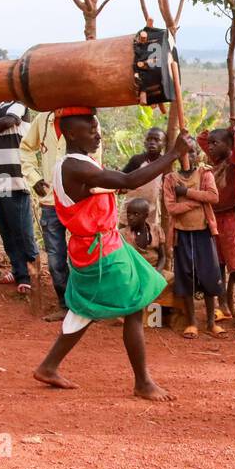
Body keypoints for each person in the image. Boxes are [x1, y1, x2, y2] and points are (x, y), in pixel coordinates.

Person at [33, 108, 187, 397]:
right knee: (133, 307)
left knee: (85, 308)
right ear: (70, 133)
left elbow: (113, 184)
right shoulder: (76, 167)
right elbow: (129, 182)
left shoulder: (76, 163)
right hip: (100, 251)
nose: (98, 134)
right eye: (91, 130)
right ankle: (143, 383)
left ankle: (49, 366)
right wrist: (173, 154)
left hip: (99, 246)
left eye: (97, 127)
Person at [163, 136, 224, 338]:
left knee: (209, 275)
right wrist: (196, 201)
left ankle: (211, 322)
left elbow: (213, 197)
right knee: (186, 277)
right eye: (184, 152)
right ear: (178, 156)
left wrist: (187, 192)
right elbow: (171, 208)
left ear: (198, 155)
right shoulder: (170, 179)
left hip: (204, 232)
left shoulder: (205, 174)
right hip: (182, 234)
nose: (188, 156)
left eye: (192, 152)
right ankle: (191, 323)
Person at [0, 98, 38, 294]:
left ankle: (29, 273)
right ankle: (18, 269)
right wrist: (1, 124)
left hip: (14, 174)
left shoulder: (19, 103)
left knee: (20, 226)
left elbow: (9, 121)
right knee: (6, 227)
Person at [197, 122, 235, 325]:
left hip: (232, 216)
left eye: (216, 143)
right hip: (214, 216)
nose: (210, 146)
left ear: (228, 145)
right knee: (219, 263)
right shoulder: (214, 162)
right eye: (210, 143)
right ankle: (222, 306)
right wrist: (216, 136)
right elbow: (200, 139)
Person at [21, 109, 70, 321]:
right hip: (51, 202)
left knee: (85, 256)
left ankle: (87, 305)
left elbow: (95, 157)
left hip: (78, 202)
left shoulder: (86, 117)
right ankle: (66, 305)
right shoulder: (43, 119)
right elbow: (25, 148)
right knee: (56, 259)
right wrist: (34, 178)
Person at [120, 126, 167, 227]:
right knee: (125, 236)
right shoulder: (137, 160)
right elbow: (122, 178)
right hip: (130, 209)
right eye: (149, 139)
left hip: (151, 211)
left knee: (148, 237)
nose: (152, 142)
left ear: (164, 144)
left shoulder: (164, 163)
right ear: (145, 143)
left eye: (157, 140)